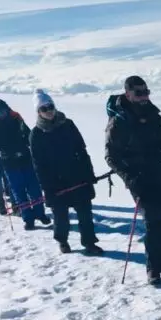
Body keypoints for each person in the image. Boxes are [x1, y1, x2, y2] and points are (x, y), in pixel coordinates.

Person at [105, 75, 161, 284]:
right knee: (152, 220)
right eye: (139, 93)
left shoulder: (153, 114)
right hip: (139, 179)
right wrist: (129, 178)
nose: (144, 96)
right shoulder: (119, 121)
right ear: (128, 94)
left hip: (159, 173)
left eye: (146, 92)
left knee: (160, 218)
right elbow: (111, 156)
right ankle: (154, 267)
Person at [29, 90, 103, 255]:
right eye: (44, 108)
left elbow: (81, 150)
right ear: (38, 112)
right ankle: (62, 241)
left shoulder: (68, 124)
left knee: (85, 214)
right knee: (61, 217)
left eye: (51, 106)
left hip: (78, 177)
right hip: (55, 183)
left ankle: (89, 242)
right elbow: (38, 164)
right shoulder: (36, 134)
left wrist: (89, 173)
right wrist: (47, 187)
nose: (49, 111)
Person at [0, 98, 50, 230]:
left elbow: (29, 135)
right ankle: (28, 218)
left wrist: (33, 148)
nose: (1, 114)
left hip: (26, 160)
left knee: (34, 188)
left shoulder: (17, 120)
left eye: (2, 111)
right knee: (18, 192)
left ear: (7, 109)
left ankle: (40, 214)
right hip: (9, 165)